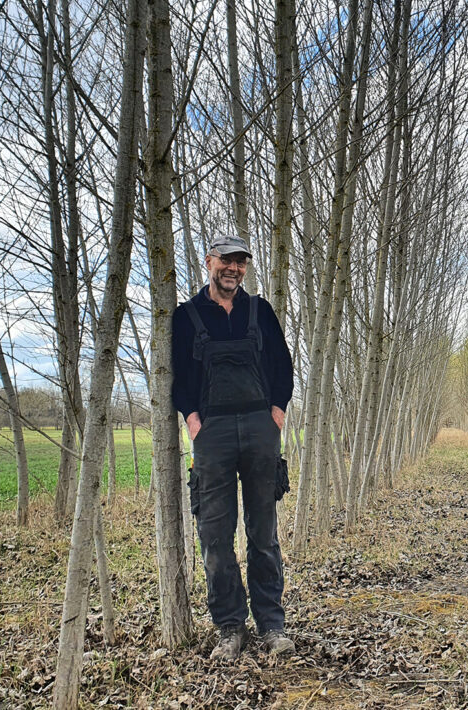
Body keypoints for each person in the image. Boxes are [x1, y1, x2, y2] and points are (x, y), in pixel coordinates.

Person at [172, 235, 295, 661]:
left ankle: (271, 624)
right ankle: (229, 627)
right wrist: (193, 421)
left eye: (240, 262)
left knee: (263, 534)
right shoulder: (186, 316)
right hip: (213, 435)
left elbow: (283, 365)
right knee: (215, 536)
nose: (233, 268)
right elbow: (179, 378)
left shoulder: (259, 311)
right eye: (226, 260)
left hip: (261, 429)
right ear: (210, 262)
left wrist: (276, 412)